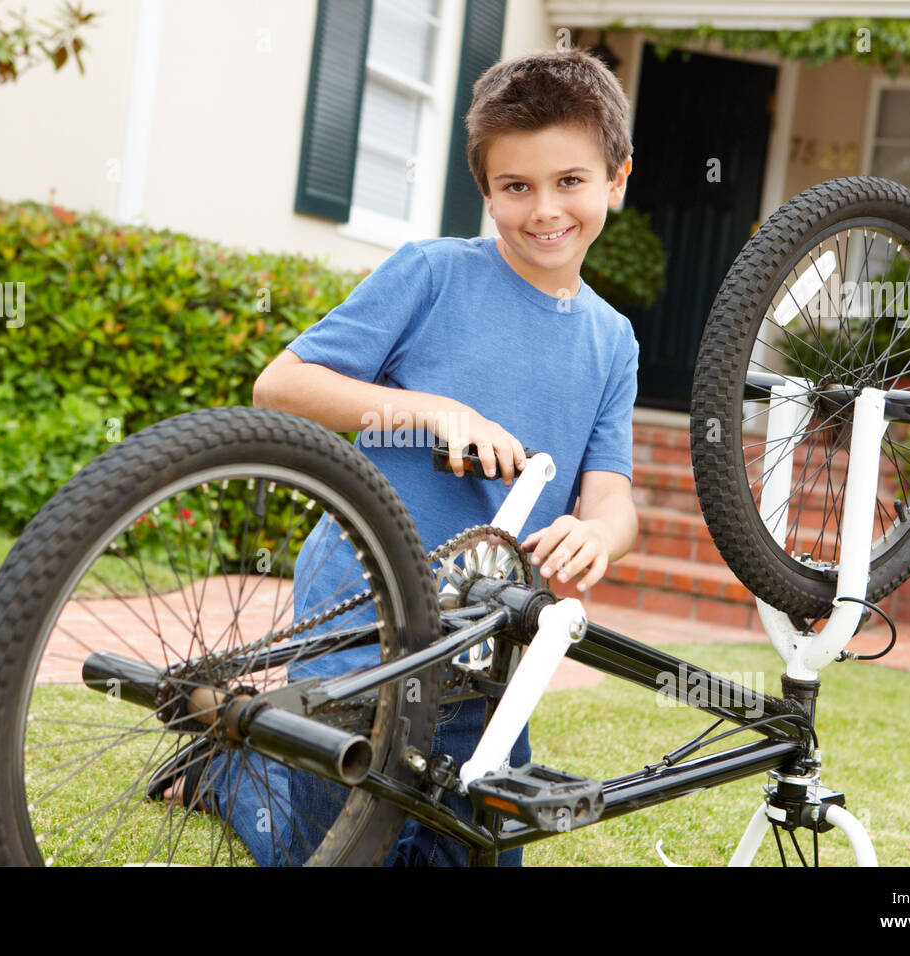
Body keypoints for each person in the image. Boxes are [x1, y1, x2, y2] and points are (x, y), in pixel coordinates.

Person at [172, 47, 641, 866]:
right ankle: (228, 771)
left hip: (488, 646)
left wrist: (598, 538)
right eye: (515, 187)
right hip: (361, 617)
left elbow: (612, 499)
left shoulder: (613, 341)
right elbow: (280, 385)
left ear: (617, 180)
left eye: (570, 181)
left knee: (467, 850)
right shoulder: (432, 274)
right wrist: (428, 410)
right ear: (487, 190)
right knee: (332, 848)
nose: (544, 211)